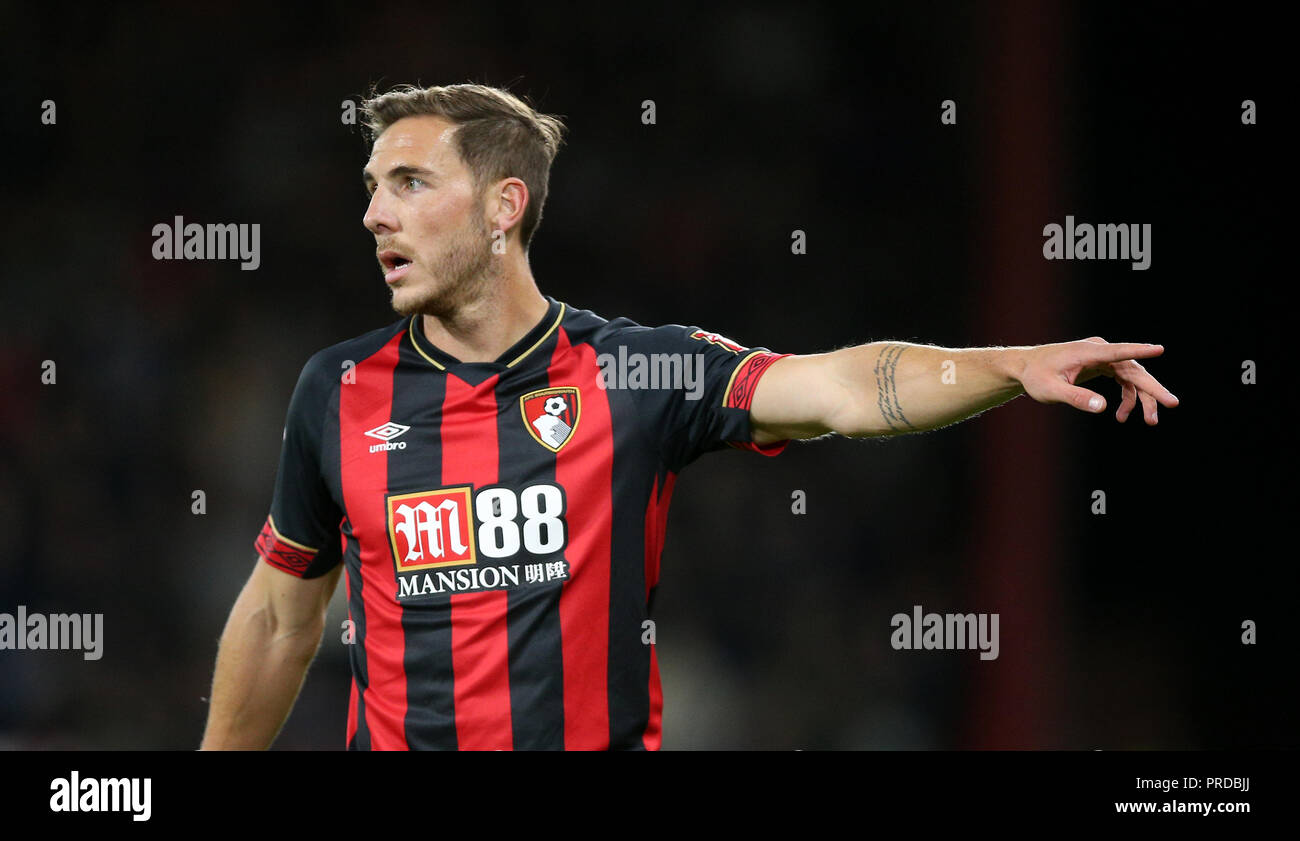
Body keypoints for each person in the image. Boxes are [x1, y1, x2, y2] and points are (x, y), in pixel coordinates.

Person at [199, 83, 1178, 750]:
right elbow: (282, 619)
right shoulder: (336, 390)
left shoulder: (634, 370)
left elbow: (839, 387)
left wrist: (1005, 363)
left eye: (409, 183)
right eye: (372, 186)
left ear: (503, 207)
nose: (374, 212)